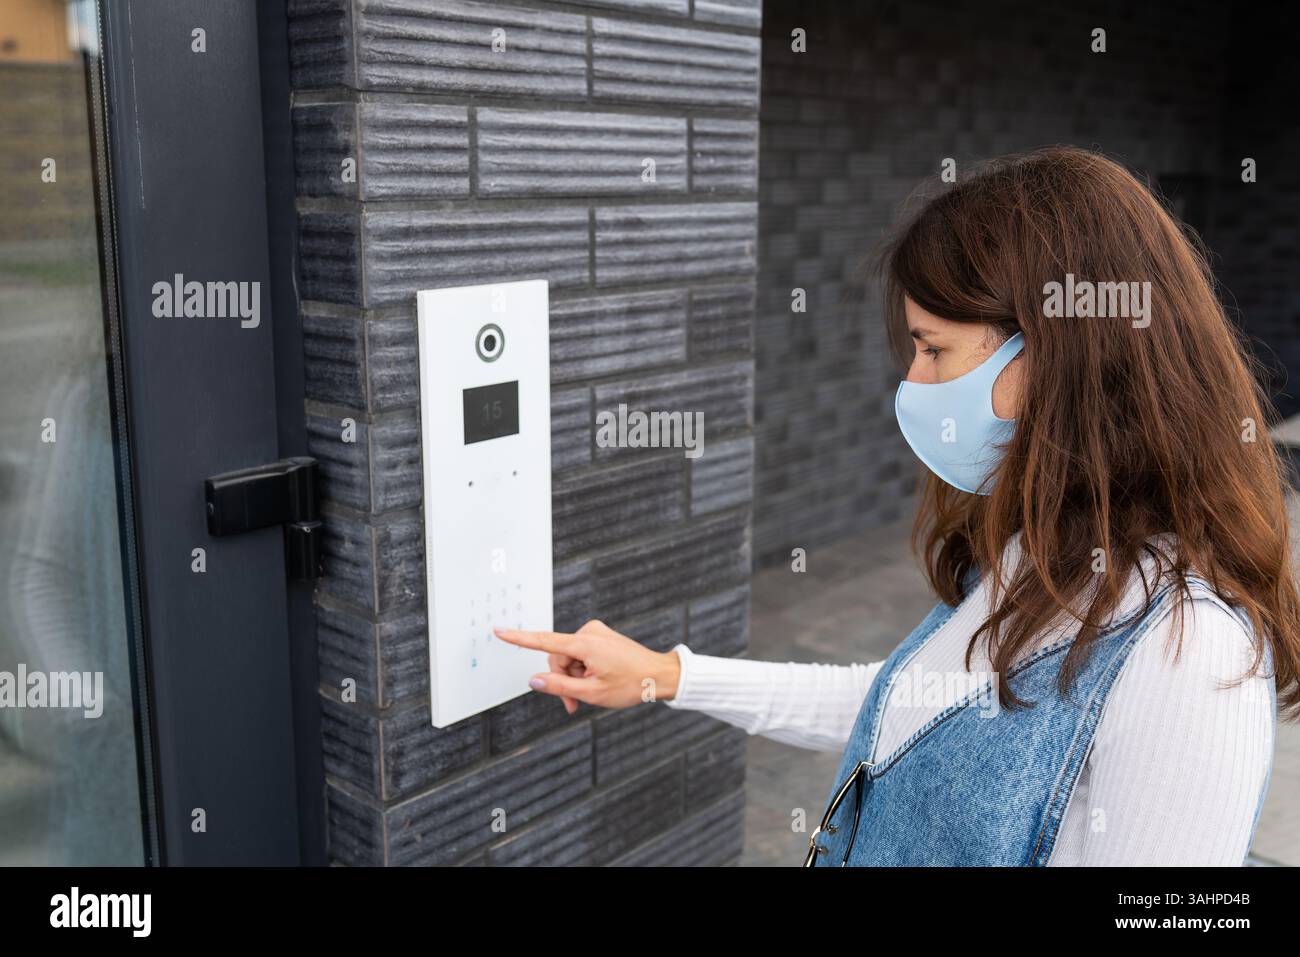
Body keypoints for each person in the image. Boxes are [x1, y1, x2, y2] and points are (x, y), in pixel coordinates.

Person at [494, 146, 1299, 866]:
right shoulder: (1047, 552)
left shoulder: (1194, 657)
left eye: (933, 348)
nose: (913, 384)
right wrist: (667, 676)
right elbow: (906, 705)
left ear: (1056, 353)